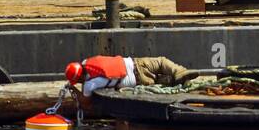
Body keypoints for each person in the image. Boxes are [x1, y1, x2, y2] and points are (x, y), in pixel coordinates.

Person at [64, 55, 200, 97]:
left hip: (137, 80)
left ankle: (174, 81)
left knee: (160, 82)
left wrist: (73, 89)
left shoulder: (90, 84)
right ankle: (180, 72)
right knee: (161, 62)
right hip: (136, 62)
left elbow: (86, 103)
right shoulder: (87, 62)